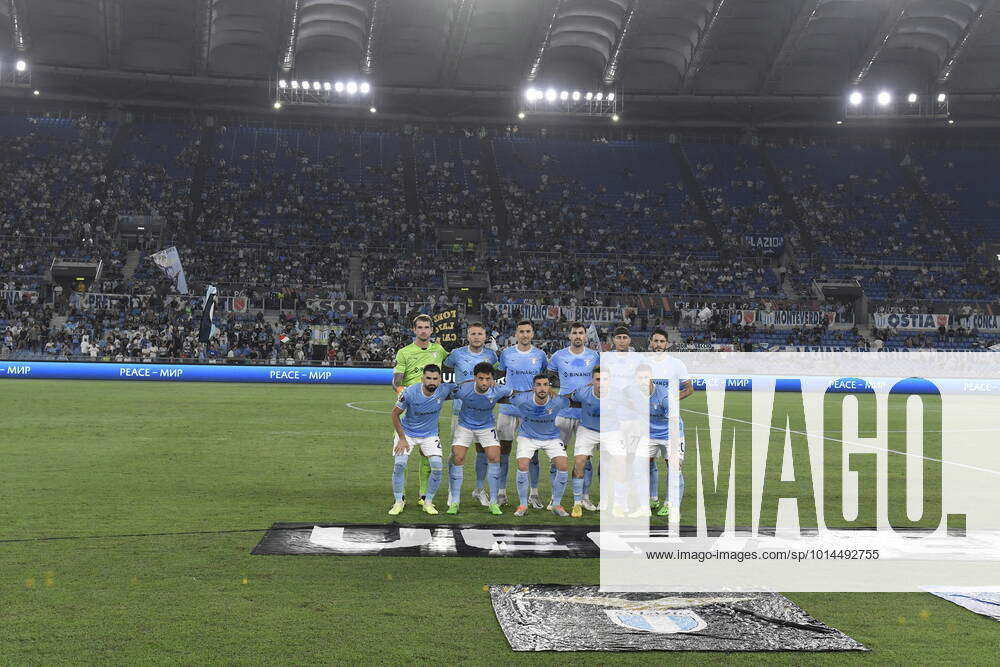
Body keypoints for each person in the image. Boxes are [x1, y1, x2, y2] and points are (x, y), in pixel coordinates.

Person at [392, 314, 449, 506]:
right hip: (410, 408)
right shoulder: (404, 352)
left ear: (432, 330)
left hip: (431, 409)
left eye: (427, 327)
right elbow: (396, 382)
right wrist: (404, 394)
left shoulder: (439, 350)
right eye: (420, 327)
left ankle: (423, 495)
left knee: (428, 455)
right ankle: (401, 497)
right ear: (414, 330)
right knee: (403, 455)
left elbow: (449, 369)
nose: (424, 330)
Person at [446, 362, 515, 516]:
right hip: (465, 425)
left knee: (494, 457)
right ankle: (455, 501)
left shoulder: (498, 390)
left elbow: (513, 393)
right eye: (481, 378)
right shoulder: (464, 388)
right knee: (458, 457)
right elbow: (445, 392)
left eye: (488, 379)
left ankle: (493, 503)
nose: (484, 382)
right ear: (474, 378)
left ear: (493, 379)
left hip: (486, 427)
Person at [442, 322, 498, 506]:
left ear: (485, 336)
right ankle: (452, 490)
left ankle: (479, 489)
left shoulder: (491, 355)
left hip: (484, 414)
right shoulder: (457, 354)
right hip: (460, 412)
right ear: (468, 336)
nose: (476, 337)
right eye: (473, 333)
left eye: (480, 333)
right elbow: (446, 368)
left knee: (482, 452)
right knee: (456, 453)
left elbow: (493, 377)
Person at [547, 322, 600, 510]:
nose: (577, 336)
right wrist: (554, 394)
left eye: (581, 333)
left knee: (585, 459)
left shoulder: (594, 357)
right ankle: (555, 497)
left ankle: (584, 496)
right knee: (556, 457)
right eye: (574, 333)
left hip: (586, 415)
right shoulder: (558, 356)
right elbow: (548, 378)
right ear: (569, 336)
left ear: (585, 336)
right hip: (563, 413)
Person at [388, 364, 455, 516]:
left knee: (437, 467)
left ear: (440, 380)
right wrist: (402, 439)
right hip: (407, 433)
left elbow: (466, 386)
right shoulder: (410, 392)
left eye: (435, 379)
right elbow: (394, 414)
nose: (432, 381)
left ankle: (428, 502)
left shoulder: (444, 390)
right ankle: (399, 502)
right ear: (422, 378)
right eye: (428, 378)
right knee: (400, 464)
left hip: (430, 435)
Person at [496, 320, 548, 507]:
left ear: (532, 334)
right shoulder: (506, 354)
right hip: (508, 409)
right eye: (521, 331)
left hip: (532, 411)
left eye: (528, 331)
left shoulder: (540, 355)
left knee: (533, 454)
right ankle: (501, 493)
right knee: (504, 452)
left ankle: (534, 493)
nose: (525, 335)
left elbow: (542, 379)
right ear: (516, 334)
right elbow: (500, 375)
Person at [509, 374, 572, 517]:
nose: (542, 388)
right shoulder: (522, 399)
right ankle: (523, 505)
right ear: (533, 387)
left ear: (550, 387)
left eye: (545, 384)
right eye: (538, 384)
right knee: (523, 465)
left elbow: (572, 399)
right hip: (528, 437)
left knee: (563, 465)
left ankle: (556, 504)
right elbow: (509, 395)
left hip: (551, 437)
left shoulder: (558, 401)